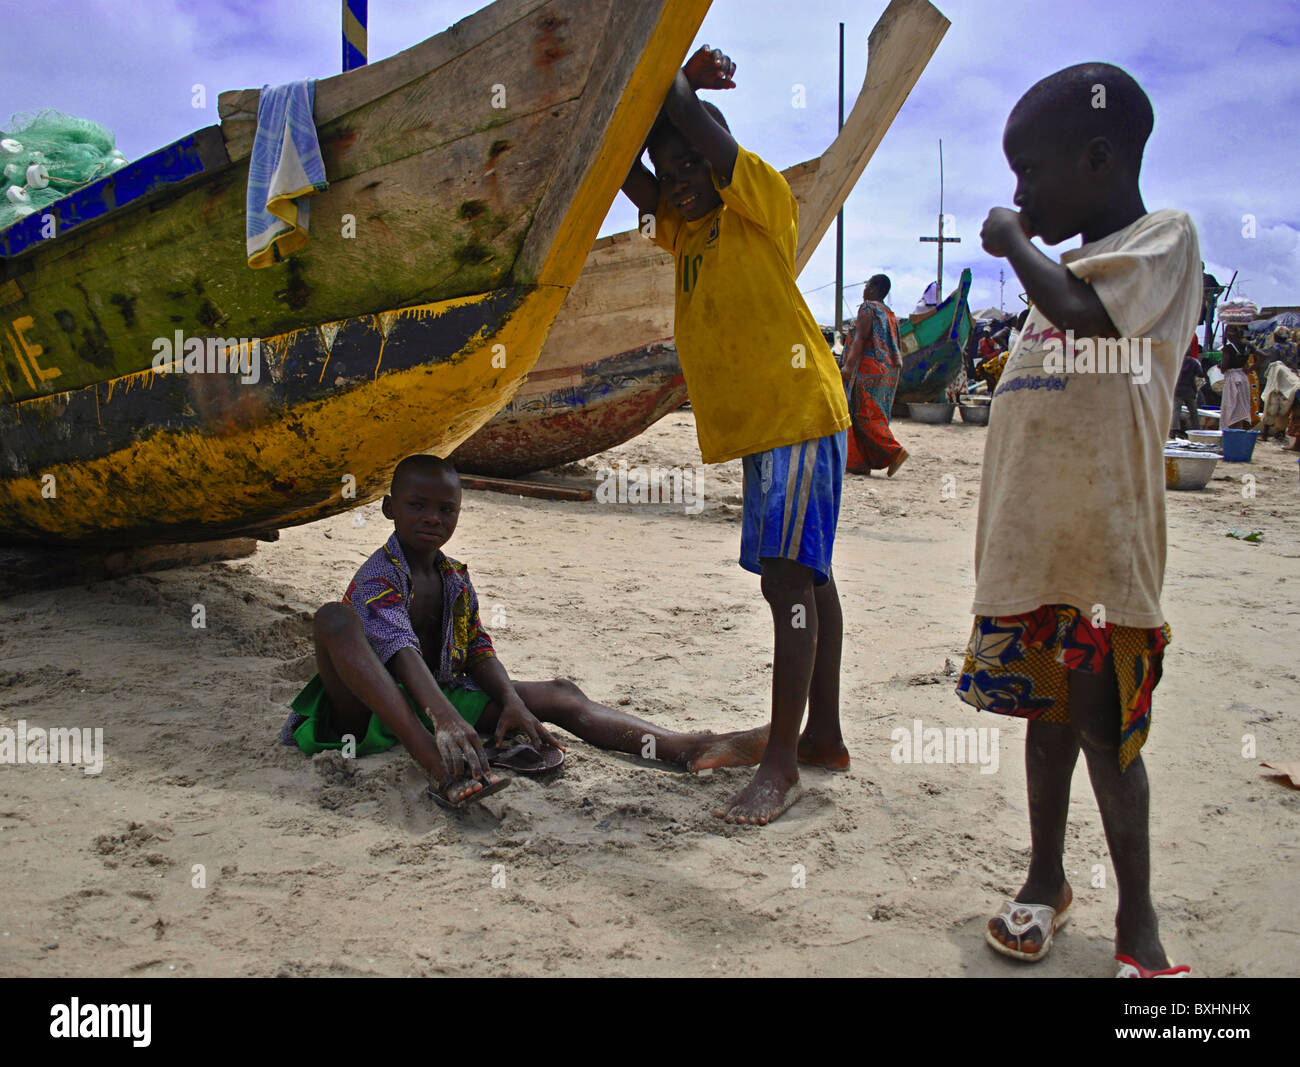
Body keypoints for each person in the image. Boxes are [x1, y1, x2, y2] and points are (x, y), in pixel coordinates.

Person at [959, 62, 1201, 978]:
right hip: (1031, 553)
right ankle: (1046, 877)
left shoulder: (1160, 240)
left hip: (1106, 555)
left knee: (1107, 730)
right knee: (1045, 717)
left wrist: (1016, 239)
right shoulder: (1051, 282)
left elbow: (1081, 313)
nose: (1019, 193)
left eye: (1033, 172)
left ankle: (1137, 920)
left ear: (1100, 157)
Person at [620, 45, 852, 825]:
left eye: (694, 163)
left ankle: (782, 763)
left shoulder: (759, 200)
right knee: (809, 577)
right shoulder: (683, 235)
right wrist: (657, 106)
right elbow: (626, 160)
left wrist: (676, 76)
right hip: (768, 429)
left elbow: (686, 118)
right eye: (671, 168)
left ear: (724, 159)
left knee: (787, 581)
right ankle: (821, 735)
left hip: (799, 413)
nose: (682, 177)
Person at [283, 455, 766, 807]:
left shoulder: (453, 576)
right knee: (333, 618)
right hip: (365, 711)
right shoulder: (379, 576)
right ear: (390, 509)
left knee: (559, 693)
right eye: (417, 505)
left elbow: (476, 650)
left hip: (437, 699)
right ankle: (437, 766)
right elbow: (401, 650)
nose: (432, 517)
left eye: (446, 509)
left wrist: (511, 702)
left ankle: (688, 747)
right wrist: (447, 719)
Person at [841, 275, 909, 476]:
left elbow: (860, 338)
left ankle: (894, 451)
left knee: (863, 413)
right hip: (888, 370)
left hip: (870, 369)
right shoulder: (889, 313)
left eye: (866, 285)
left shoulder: (868, 308)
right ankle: (860, 462)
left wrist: (848, 366)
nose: (864, 290)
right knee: (875, 413)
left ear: (872, 288)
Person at [1170, 335, 1201, 437]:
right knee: (1193, 411)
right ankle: (1197, 429)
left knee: (1176, 410)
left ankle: (1174, 430)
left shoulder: (1175, 361)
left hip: (1177, 389)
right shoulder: (1194, 362)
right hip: (1190, 390)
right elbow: (1201, 375)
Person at [1219, 343, 1252, 429]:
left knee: (1231, 408)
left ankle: (1230, 432)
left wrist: (1221, 366)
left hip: (1232, 379)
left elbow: (1223, 368)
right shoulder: (1246, 346)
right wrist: (1250, 369)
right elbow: (1263, 355)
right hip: (1243, 378)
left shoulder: (1228, 348)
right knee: (1243, 407)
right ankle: (1244, 434)